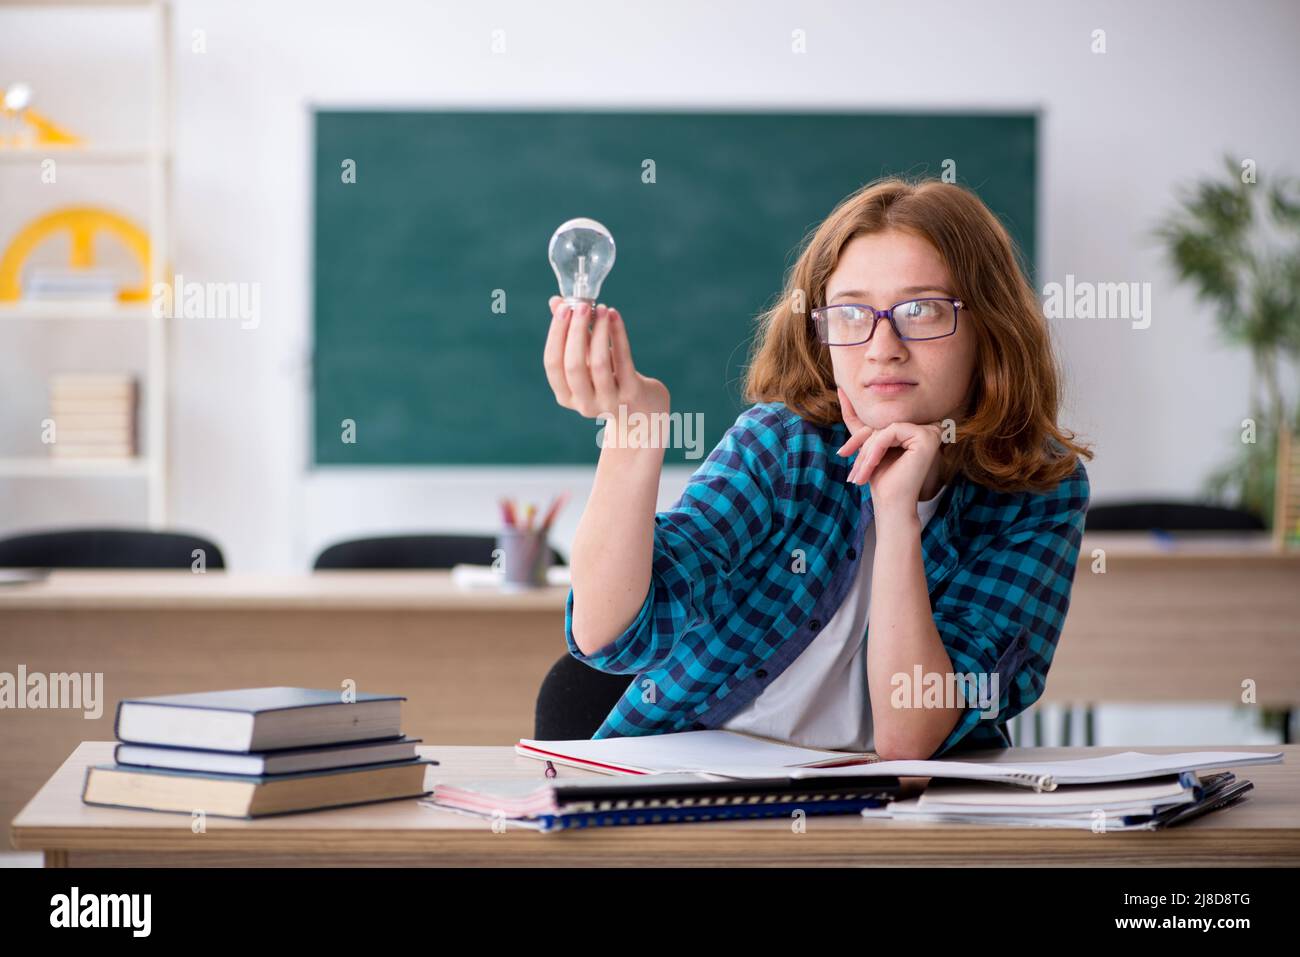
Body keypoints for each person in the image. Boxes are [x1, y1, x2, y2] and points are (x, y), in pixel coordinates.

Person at [542, 176, 1092, 759]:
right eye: (852, 313)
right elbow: (610, 636)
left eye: (923, 309)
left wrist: (896, 515)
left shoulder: (1038, 491)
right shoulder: (783, 447)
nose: (883, 346)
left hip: (894, 830)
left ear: (991, 326)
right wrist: (633, 432)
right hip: (696, 805)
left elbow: (910, 741)